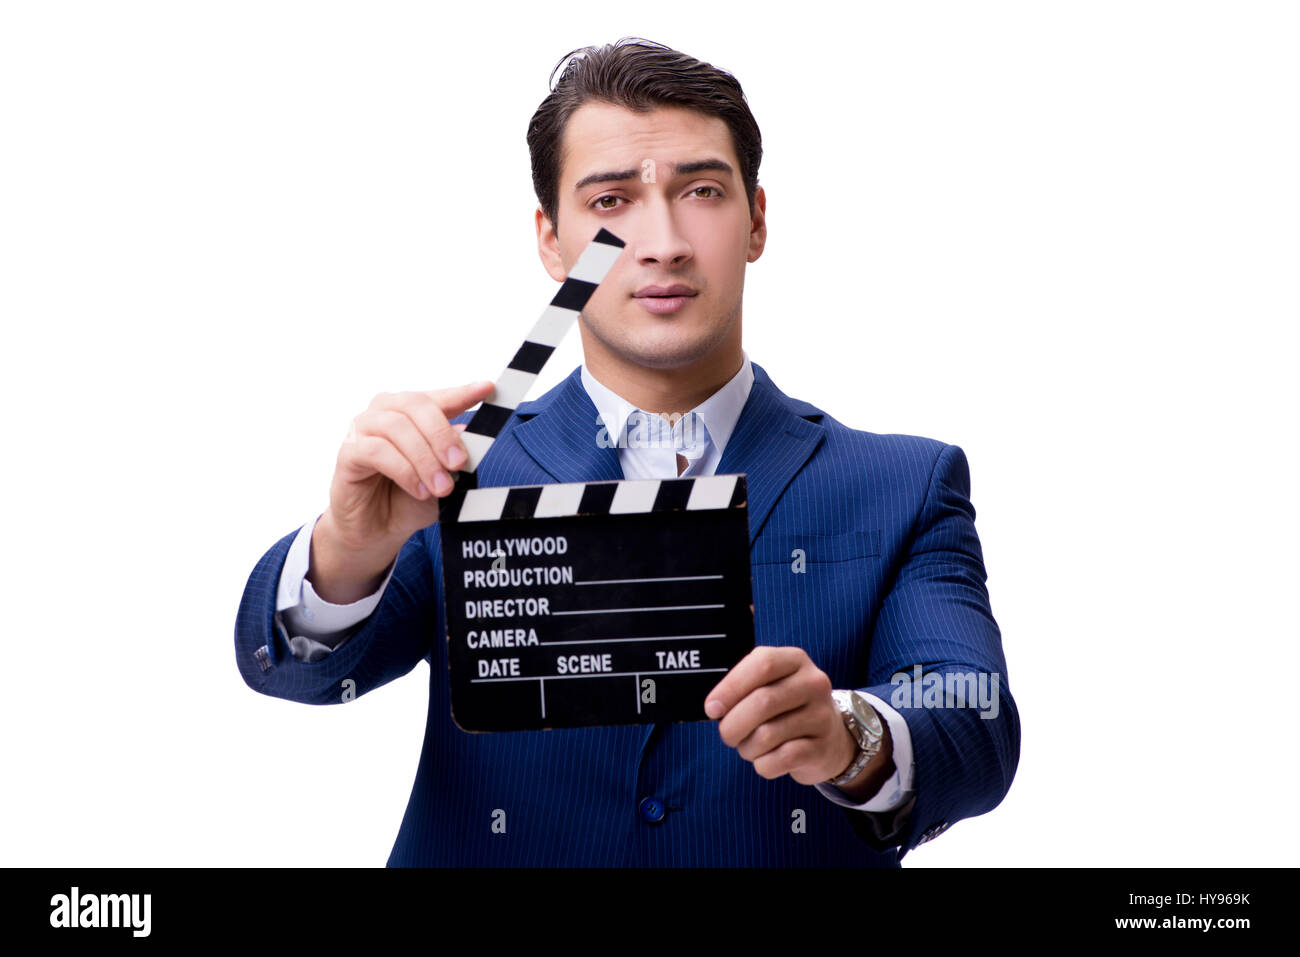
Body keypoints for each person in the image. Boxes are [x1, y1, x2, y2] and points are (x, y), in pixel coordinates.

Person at [234, 37, 1019, 866]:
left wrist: (851, 735)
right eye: (611, 202)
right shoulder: (457, 472)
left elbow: (973, 716)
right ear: (551, 241)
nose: (664, 242)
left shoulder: (904, 485)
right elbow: (298, 673)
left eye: (703, 191)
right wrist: (350, 549)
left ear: (756, 220)